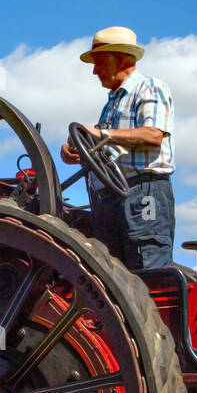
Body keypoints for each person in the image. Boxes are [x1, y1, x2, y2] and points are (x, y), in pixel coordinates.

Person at [62, 26, 176, 271]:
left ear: (123, 58)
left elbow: (153, 135)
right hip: (110, 199)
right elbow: (109, 150)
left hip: (143, 193)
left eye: (101, 61)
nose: (95, 71)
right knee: (113, 278)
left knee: (147, 270)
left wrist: (99, 134)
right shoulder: (113, 102)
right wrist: (76, 152)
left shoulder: (150, 87)